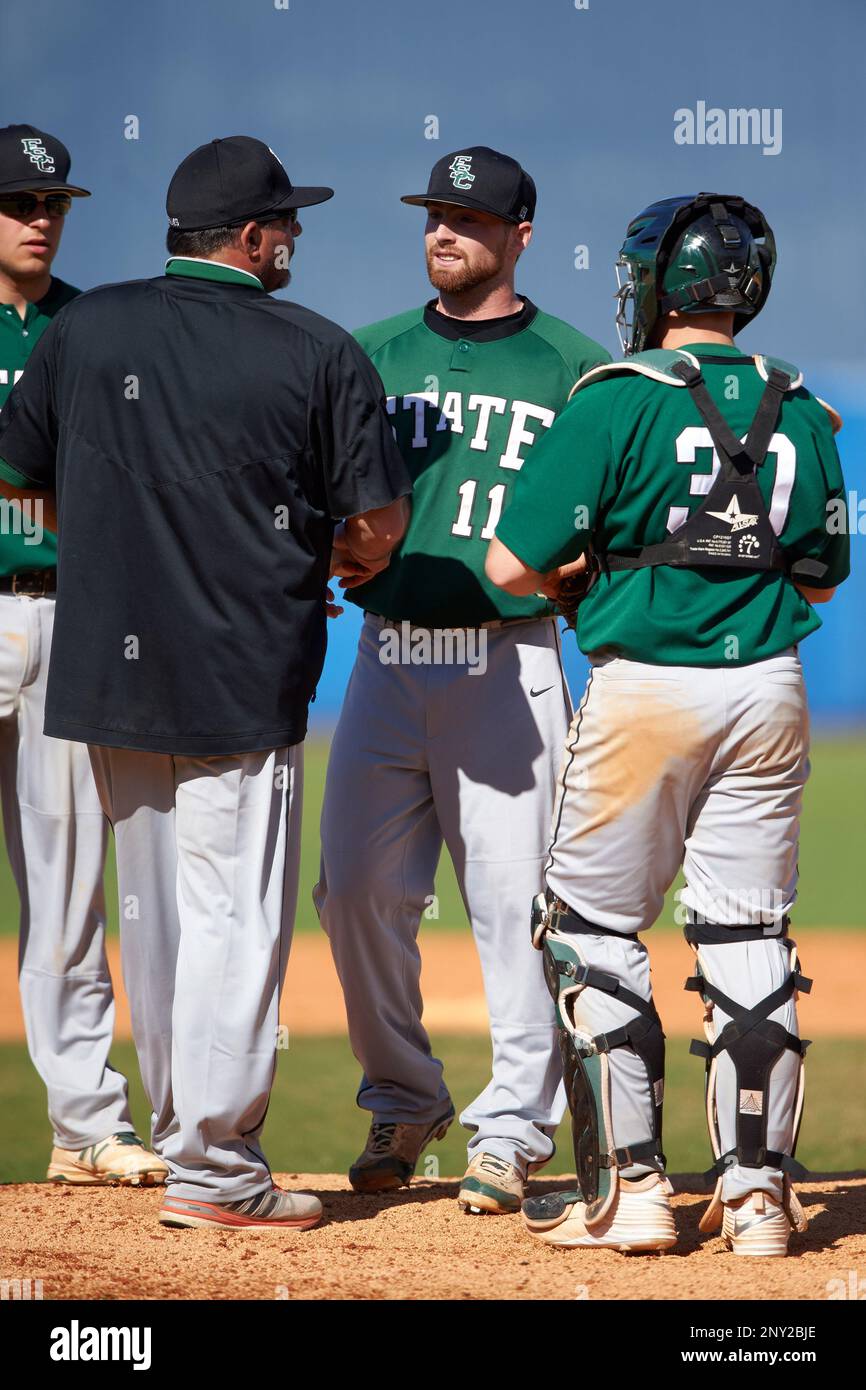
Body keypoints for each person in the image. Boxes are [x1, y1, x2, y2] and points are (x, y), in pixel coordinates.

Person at [0, 135, 411, 1231]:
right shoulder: (315, 347)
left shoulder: (86, 326)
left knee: (158, 921)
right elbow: (378, 522)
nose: (297, 236)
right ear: (252, 236)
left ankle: (184, 1130)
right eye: (288, 221)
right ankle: (217, 1169)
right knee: (233, 916)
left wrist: (110, 552)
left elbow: (17, 473)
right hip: (242, 673)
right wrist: (334, 559)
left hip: (109, 674)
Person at [486, 192, 849, 1255]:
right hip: (770, 688)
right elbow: (821, 578)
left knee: (590, 928)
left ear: (655, 286)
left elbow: (507, 565)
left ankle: (633, 1194)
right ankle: (758, 1199)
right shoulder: (801, 405)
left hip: (647, 687)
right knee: (746, 930)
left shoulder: (615, 398)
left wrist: (582, 578)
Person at [315, 146, 610, 1214]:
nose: (445, 230)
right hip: (388, 655)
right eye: (435, 213)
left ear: (520, 235)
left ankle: (513, 1127)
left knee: (509, 903)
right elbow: (321, 490)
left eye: (471, 218)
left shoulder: (576, 367)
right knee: (352, 889)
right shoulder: (369, 353)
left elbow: (608, 515)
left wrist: (583, 571)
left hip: (508, 658)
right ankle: (404, 1095)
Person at [0, 123, 165, 1187]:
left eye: (54, 203)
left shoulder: (91, 327)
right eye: (20, 202)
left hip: (63, 612)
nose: (41, 218)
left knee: (66, 887)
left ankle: (85, 1124)